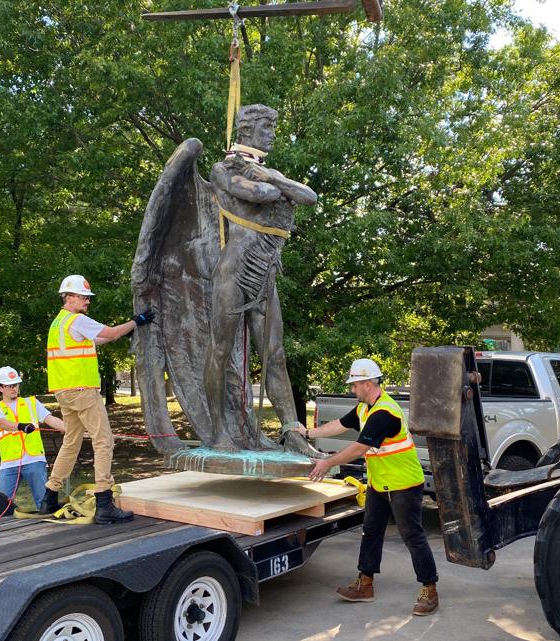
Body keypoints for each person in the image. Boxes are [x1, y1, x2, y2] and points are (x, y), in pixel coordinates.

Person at [203, 104, 317, 448]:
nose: (272, 133)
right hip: (234, 270)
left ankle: (292, 432)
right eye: (267, 126)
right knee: (220, 350)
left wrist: (274, 178)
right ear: (247, 130)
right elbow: (257, 194)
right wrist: (276, 186)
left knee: (275, 354)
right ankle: (219, 432)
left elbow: (308, 197)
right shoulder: (222, 169)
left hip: (265, 273)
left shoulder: (267, 171)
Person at [297, 358, 439, 616]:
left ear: (367, 383)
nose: (352, 390)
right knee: (371, 530)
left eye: (355, 385)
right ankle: (365, 584)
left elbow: (360, 447)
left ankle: (430, 588)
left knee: (413, 536)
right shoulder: (364, 408)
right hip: (379, 482)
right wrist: (308, 433)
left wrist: (328, 462)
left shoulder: (385, 412)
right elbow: (339, 425)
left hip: (404, 483)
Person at [41, 274, 155, 524]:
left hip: (64, 392)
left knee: (71, 442)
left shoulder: (59, 323)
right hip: (83, 392)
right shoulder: (77, 320)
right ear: (68, 297)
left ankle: (49, 496)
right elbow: (112, 333)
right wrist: (136, 321)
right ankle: (104, 502)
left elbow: (100, 339)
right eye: (83, 297)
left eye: (87, 298)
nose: (87, 301)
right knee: (104, 440)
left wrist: (125, 331)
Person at [0, 366, 67, 512]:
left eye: (15, 384)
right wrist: (20, 426)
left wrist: (70, 430)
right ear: (0, 388)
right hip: (9, 463)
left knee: (44, 505)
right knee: (0, 505)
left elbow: (50, 419)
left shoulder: (31, 403)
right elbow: (1, 423)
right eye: (9, 386)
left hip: (34, 460)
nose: (14, 388)